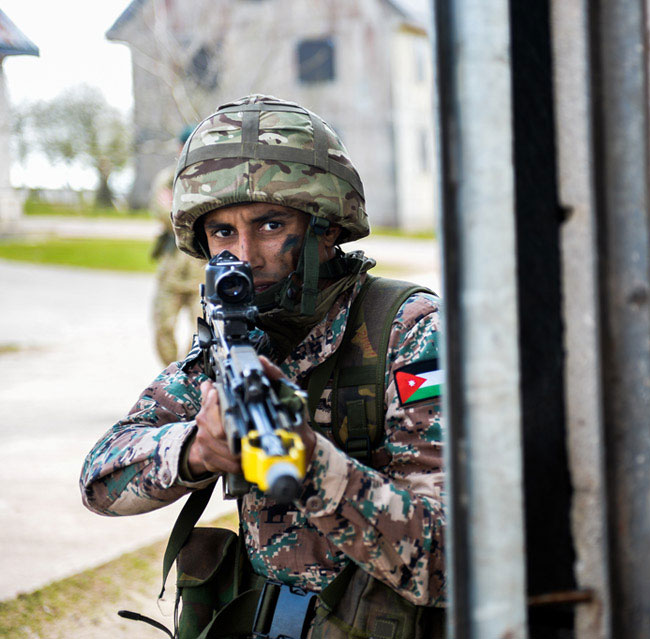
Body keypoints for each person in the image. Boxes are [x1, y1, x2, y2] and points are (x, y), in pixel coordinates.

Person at [80, 95, 445, 637]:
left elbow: (444, 561)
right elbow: (99, 481)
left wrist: (310, 467)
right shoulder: (233, 341)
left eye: (271, 225)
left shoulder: (409, 330)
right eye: (223, 232)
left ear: (325, 227)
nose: (244, 254)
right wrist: (196, 450)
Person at [149, 125, 206, 365]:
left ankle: (187, 373)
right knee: (163, 325)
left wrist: (180, 208)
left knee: (201, 332)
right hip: (172, 268)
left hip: (201, 271)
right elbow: (163, 212)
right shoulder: (167, 178)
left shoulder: (210, 179)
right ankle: (170, 371)